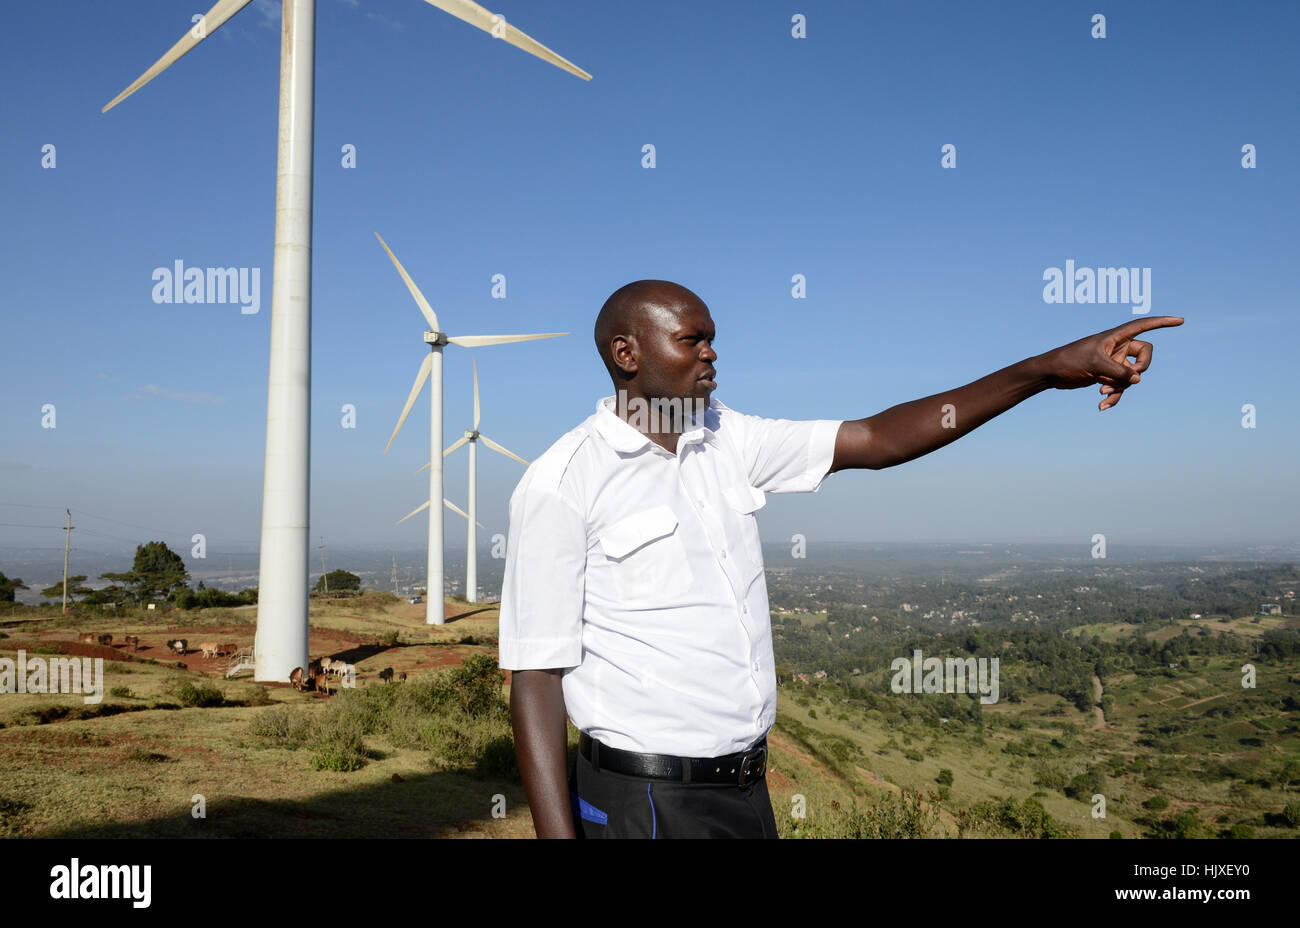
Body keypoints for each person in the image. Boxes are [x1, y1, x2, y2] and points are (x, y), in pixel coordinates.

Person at [499, 279, 1182, 838]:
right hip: (642, 802)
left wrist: (1043, 369)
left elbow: (880, 437)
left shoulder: (723, 436)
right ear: (626, 353)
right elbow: (535, 677)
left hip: (743, 790)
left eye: (713, 339)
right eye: (692, 340)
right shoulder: (565, 482)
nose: (711, 355)